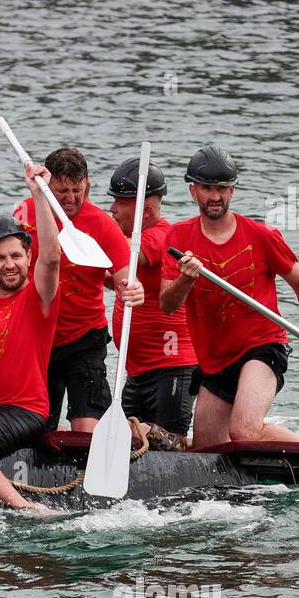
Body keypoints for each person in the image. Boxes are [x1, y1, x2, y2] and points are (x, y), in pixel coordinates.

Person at [0, 156, 140, 510]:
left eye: (17, 256)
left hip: (63, 361)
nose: (9, 264)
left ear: (27, 255)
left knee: (78, 433)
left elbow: (52, 258)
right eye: (0, 257)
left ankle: (29, 504)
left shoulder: (38, 294)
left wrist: (39, 194)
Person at [160, 146, 299, 448]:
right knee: (205, 452)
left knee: (244, 432)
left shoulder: (261, 236)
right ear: (192, 191)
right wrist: (186, 279)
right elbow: (168, 305)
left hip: (262, 348)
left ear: (233, 191)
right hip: (214, 362)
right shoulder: (178, 238)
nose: (215, 196)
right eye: (207, 188)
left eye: (223, 188)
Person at [13, 147, 132, 432]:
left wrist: (131, 289)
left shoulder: (102, 224)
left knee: (86, 428)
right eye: (61, 190)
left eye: (76, 190)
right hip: (39, 338)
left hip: (85, 339)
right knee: (39, 427)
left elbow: (126, 277)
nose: (70, 198)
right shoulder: (26, 214)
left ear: (86, 184)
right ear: (46, 186)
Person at [105, 156, 199, 438]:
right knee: (128, 436)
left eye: (120, 202)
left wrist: (85, 226)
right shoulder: (129, 242)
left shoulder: (162, 235)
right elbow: (115, 276)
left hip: (172, 368)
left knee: (169, 441)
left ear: (145, 213)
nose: (111, 208)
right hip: (138, 371)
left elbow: (124, 254)